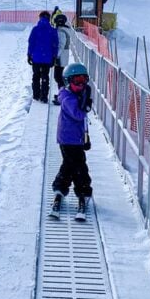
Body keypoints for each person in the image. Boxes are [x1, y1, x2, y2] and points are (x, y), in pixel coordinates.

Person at [51, 63, 93, 218]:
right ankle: (83, 190)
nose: (81, 84)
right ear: (68, 82)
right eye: (77, 81)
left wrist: (86, 137)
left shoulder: (77, 94)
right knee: (78, 165)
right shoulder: (68, 97)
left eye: (84, 80)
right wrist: (86, 105)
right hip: (68, 139)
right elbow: (78, 115)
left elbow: (84, 121)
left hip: (75, 138)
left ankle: (60, 188)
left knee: (70, 165)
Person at [27, 11, 58, 103]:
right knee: (45, 76)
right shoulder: (52, 30)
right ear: (49, 19)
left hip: (36, 57)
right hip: (47, 58)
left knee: (36, 76)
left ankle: (36, 95)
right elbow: (55, 45)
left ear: (40, 18)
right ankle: (44, 96)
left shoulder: (35, 29)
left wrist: (29, 55)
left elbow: (31, 43)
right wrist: (54, 57)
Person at [51, 13, 71, 104]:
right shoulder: (63, 30)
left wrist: (56, 55)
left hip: (61, 58)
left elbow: (61, 45)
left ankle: (62, 96)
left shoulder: (61, 31)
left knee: (59, 77)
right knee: (60, 77)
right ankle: (61, 94)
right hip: (63, 58)